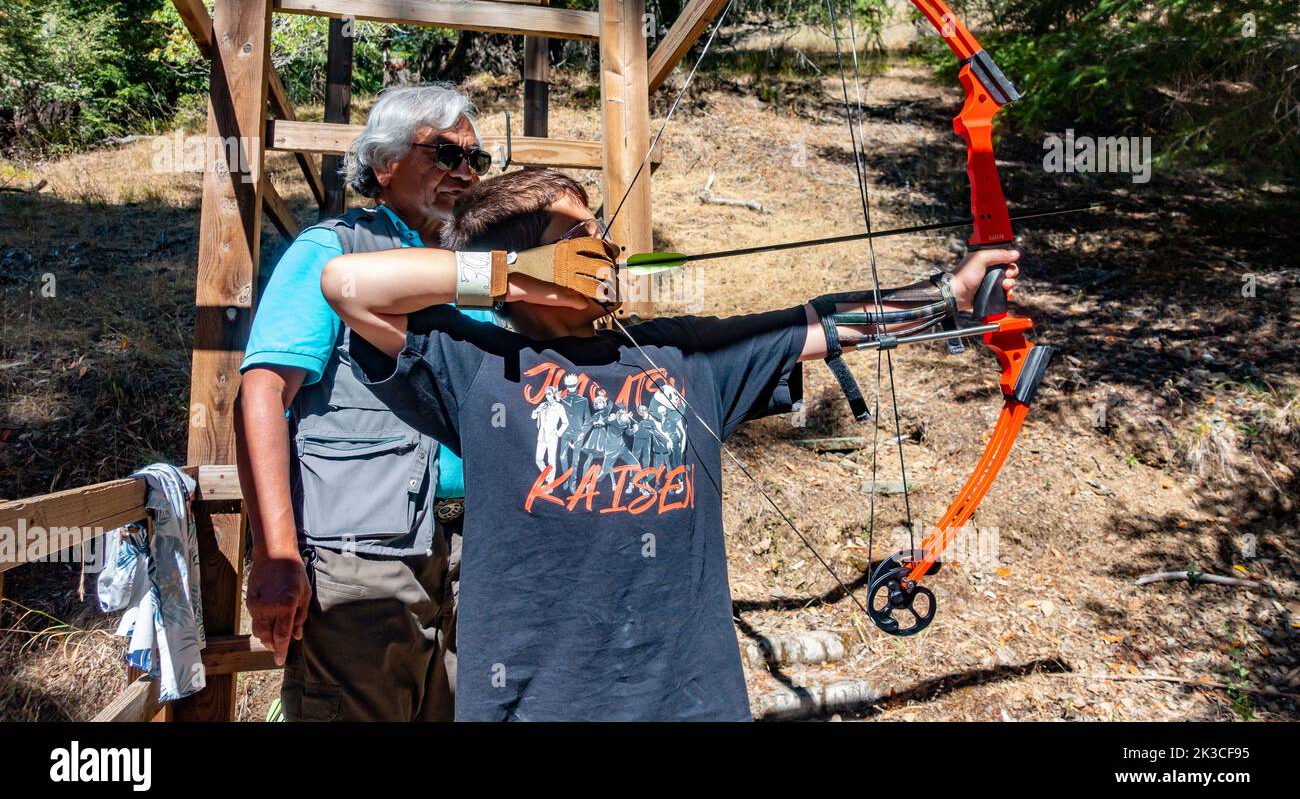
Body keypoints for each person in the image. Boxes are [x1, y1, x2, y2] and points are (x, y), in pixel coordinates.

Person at [320, 168, 1020, 720]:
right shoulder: (476, 364)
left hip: (689, 694)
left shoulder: (683, 354)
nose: (613, 249)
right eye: (586, 234)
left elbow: (822, 324)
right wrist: (509, 275)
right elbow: (349, 284)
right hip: (533, 700)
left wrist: (952, 292)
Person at [234, 83, 493, 721]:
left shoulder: (485, 270)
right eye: (444, 154)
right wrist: (275, 551)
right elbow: (263, 392)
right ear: (383, 164)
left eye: (475, 161)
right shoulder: (334, 249)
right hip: (363, 557)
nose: (464, 172)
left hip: (481, 550)